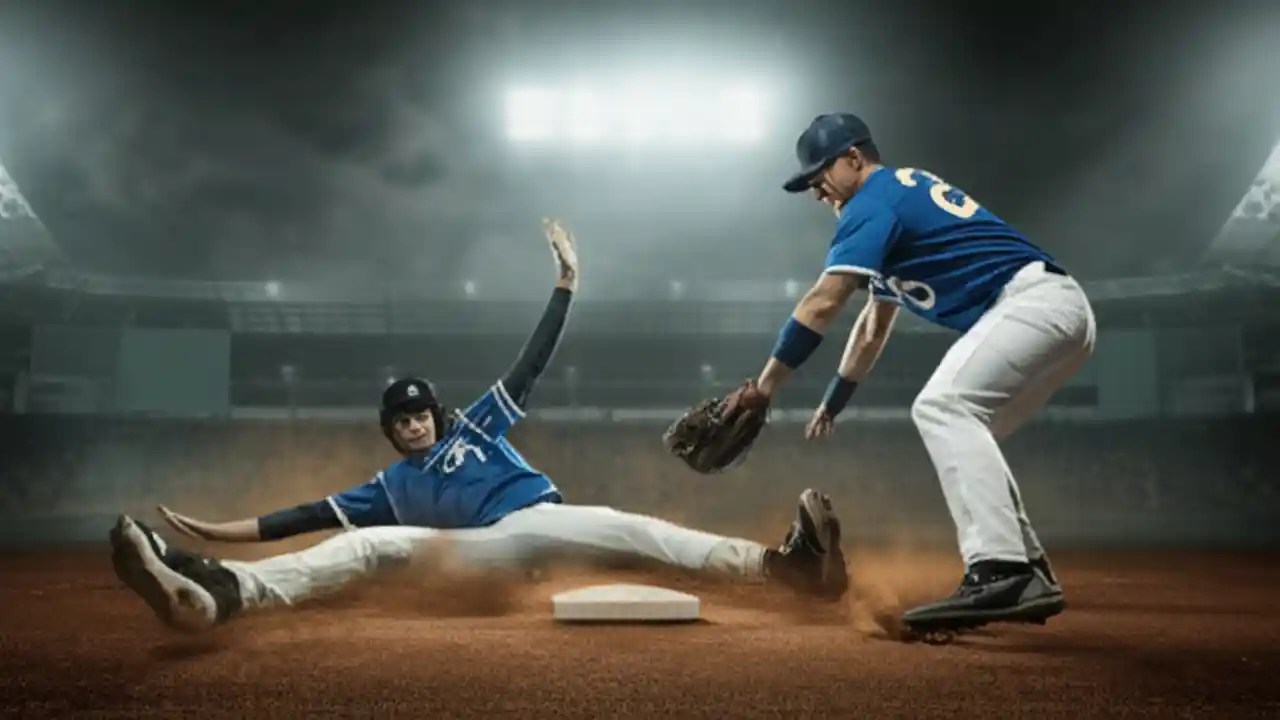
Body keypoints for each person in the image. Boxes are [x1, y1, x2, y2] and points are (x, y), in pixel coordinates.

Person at [108, 219, 850, 632]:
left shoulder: (477, 428)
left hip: (541, 525)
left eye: (420, 413)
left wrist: (565, 287)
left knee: (641, 531)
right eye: (399, 421)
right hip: (470, 555)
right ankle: (217, 591)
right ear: (392, 432)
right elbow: (295, 516)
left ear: (438, 413)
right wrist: (214, 531)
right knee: (361, 543)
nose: (412, 427)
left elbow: (528, 365)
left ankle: (786, 569)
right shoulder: (392, 486)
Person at [725, 113, 1095, 631]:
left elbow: (822, 302)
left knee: (943, 406)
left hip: (1033, 304)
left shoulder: (871, 201)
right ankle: (1028, 570)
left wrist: (762, 389)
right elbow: (871, 331)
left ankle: (999, 569)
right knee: (969, 425)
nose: (816, 192)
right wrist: (833, 402)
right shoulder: (894, 202)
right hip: (1056, 311)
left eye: (819, 175)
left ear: (854, 159)